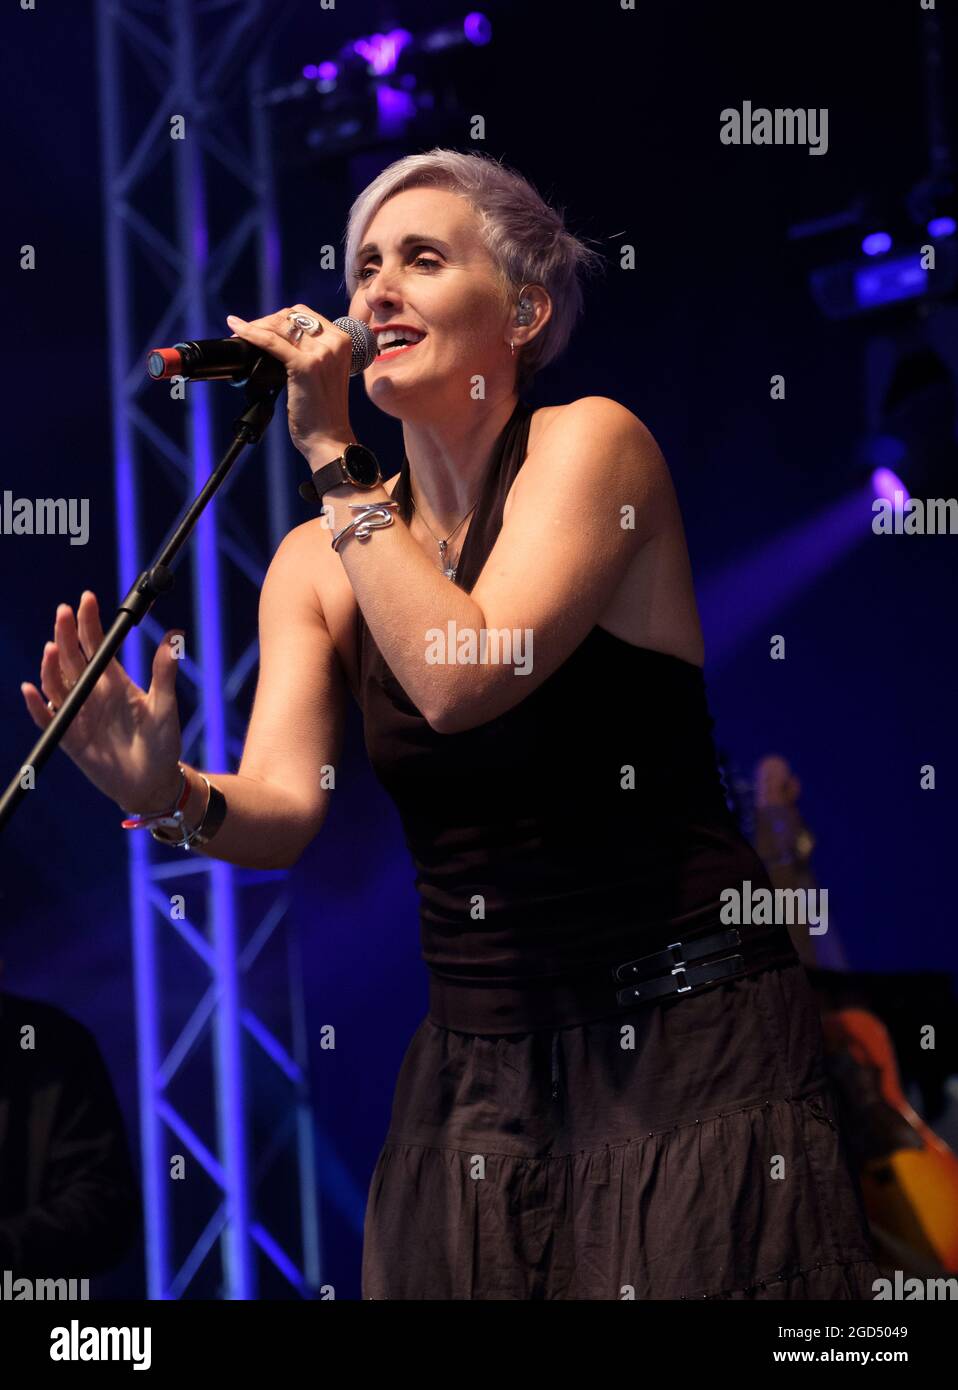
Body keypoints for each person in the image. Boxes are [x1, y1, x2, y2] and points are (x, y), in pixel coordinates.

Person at [21, 147, 881, 1300]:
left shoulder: (589, 447)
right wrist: (168, 793)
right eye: (362, 265)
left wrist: (332, 453)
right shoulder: (315, 564)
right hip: (479, 1071)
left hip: (687, 1038)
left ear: (523, 309)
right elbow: (279, 813)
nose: (374, 290)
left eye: (420, 259)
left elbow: (460, 674)